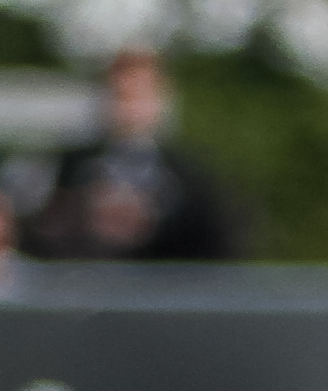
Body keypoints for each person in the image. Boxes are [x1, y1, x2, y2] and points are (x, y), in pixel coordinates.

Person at [32, 46, 245, 261]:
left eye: (138, 96)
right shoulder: (71, 164)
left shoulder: (190, 172)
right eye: (120, 96)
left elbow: (216, 242)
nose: (129, 109)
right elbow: (45, 234)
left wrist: (154, 223)